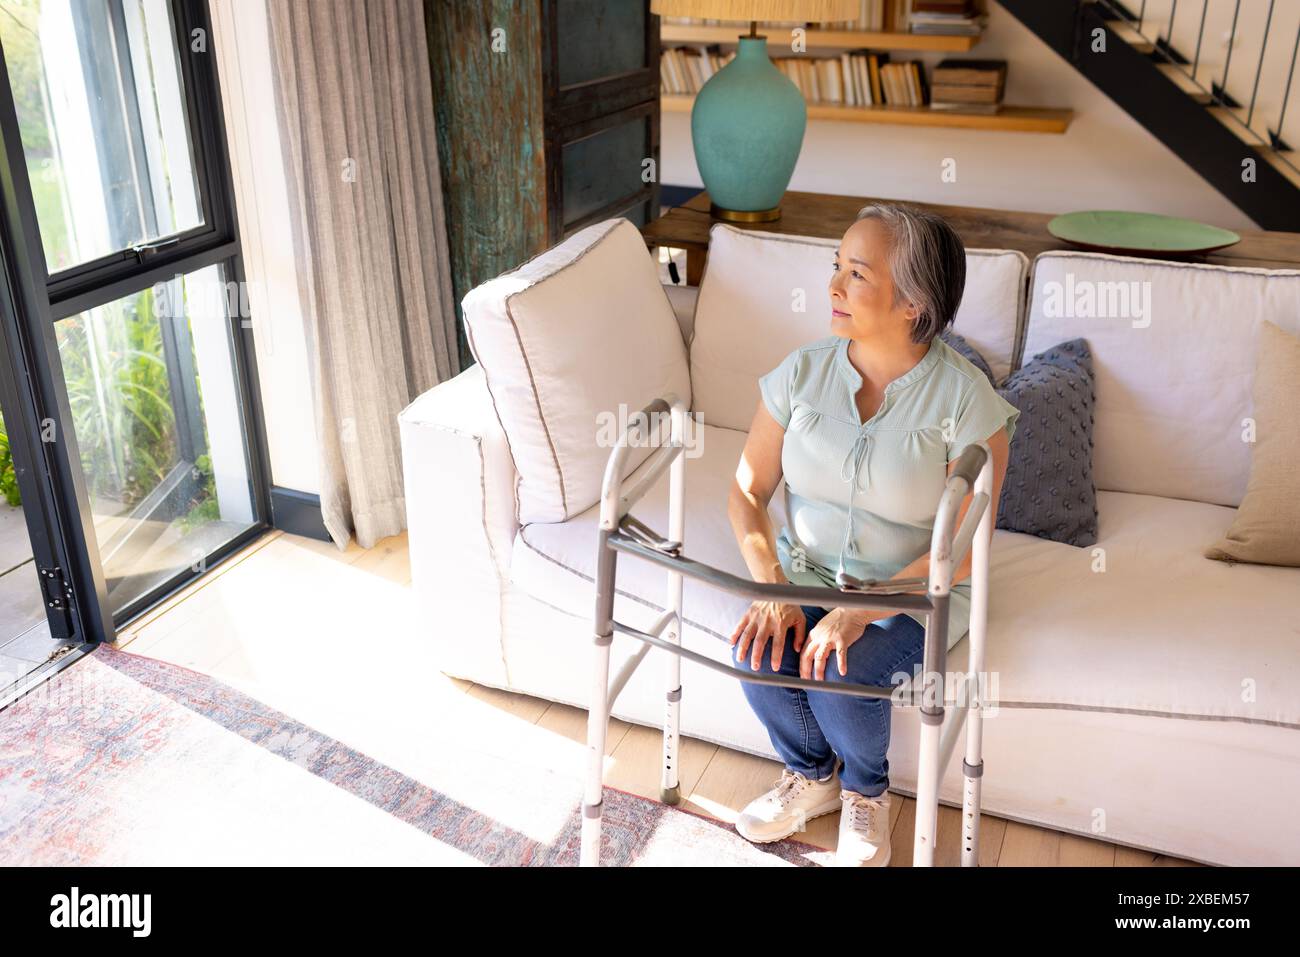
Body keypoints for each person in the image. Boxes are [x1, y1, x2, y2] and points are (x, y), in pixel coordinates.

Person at [725, 202, 1018, 867]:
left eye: (855, 274)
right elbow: (747, 489)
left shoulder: (967, 403)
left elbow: (967, 549)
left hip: (923, 587)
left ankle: (866, 791)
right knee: (756, 648)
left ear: (913, 302)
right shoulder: (801, 372)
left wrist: (860, 610)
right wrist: (770, 581)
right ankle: (813, 773)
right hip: (808, 570)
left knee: (844, 668)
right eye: (837, 267)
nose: (831, 287)